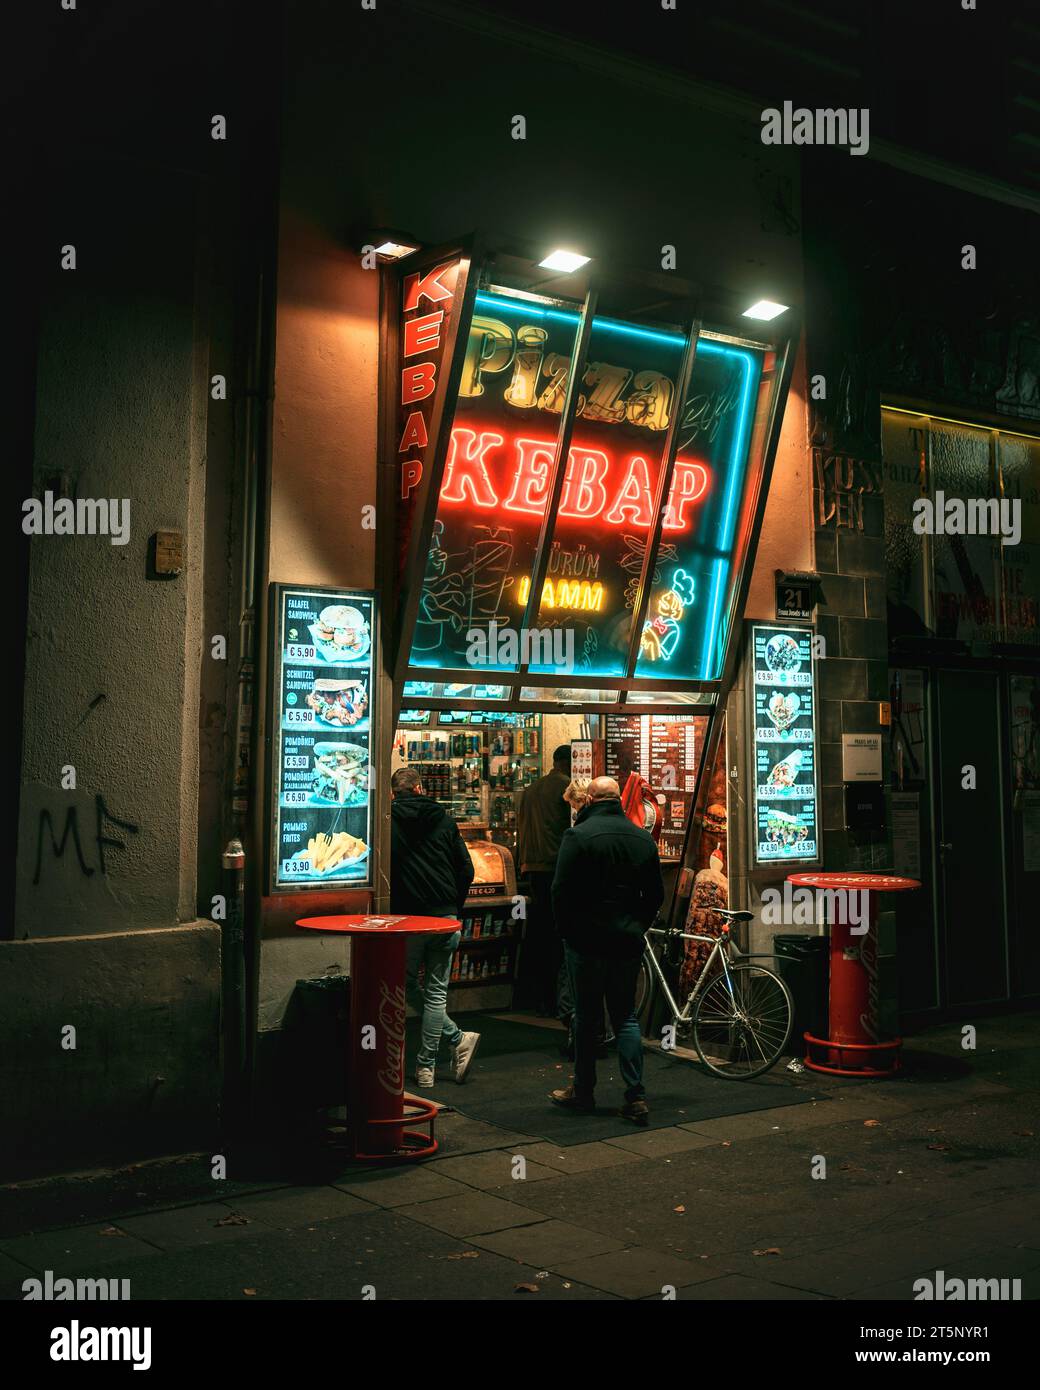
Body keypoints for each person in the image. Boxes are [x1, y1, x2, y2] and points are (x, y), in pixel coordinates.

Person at [549, 775, 664, 1125]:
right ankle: (635, 1095)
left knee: (586, 1017)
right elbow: (655, 894)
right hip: (626, 941)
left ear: (590, 800)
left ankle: (584, 1091)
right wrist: (636, 925)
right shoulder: (642, 839)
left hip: (586, 942)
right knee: (626, 1016)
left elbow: (561, 891)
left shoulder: (578, 836)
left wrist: (568, 931)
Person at [390, 766, 480, 1088]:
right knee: (436, 993)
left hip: (407, 919)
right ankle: (430, 1064)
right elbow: (466, 868)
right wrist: (452, 905)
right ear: (419, 789)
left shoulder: (386, 821)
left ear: (393, 793)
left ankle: (452, 1044)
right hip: (444, 917)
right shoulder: (444, 819)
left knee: (404, 985)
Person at [516, 744, 572, 1014]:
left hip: (531, 867)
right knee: (556, 934)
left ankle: (533, 997)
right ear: (569, 762)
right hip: (555, 868)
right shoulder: (568, 789)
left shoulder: (530, 790)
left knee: (537, 932)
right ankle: (552, 1000)